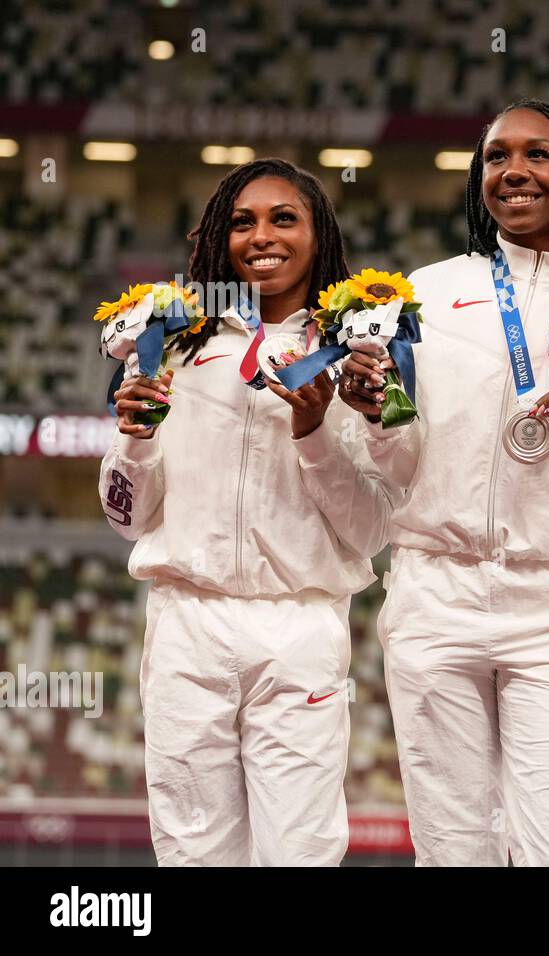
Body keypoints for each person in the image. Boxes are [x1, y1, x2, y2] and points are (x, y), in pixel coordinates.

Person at [338, 100, 549, 866]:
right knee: (453, 849)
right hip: (434, 597)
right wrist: (376, 420)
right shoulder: (420, 293)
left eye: (537, 156)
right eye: (496, 157)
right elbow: (397, 465)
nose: (513, 172)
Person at [99, 158, 394, 865]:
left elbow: (372, 529)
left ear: (318, 234)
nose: (261, 236)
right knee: (192, 851)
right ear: (218, 240)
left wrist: (315, 432)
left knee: (299, 853)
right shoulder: (172, 346)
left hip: (299, 627)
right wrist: (133, 444)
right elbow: (126, 519)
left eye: (283, 218)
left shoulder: (360, 355)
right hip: (185, 621)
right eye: (242, 221)